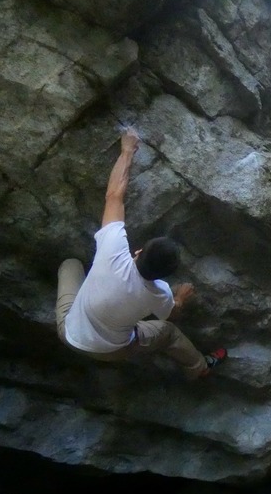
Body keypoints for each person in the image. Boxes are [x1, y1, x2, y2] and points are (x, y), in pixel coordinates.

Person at [54, 128, 225, 379]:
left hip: (69, 333)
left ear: (139, 250)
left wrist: (127, 150)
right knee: (169, 333)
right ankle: (199, 368)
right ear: (164, 276)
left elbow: (114, 196)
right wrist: (180, 296)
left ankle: (84, 305)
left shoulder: (112, 249)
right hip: (112, 350)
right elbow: (172, 313)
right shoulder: (160, 293)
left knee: (70, 264)